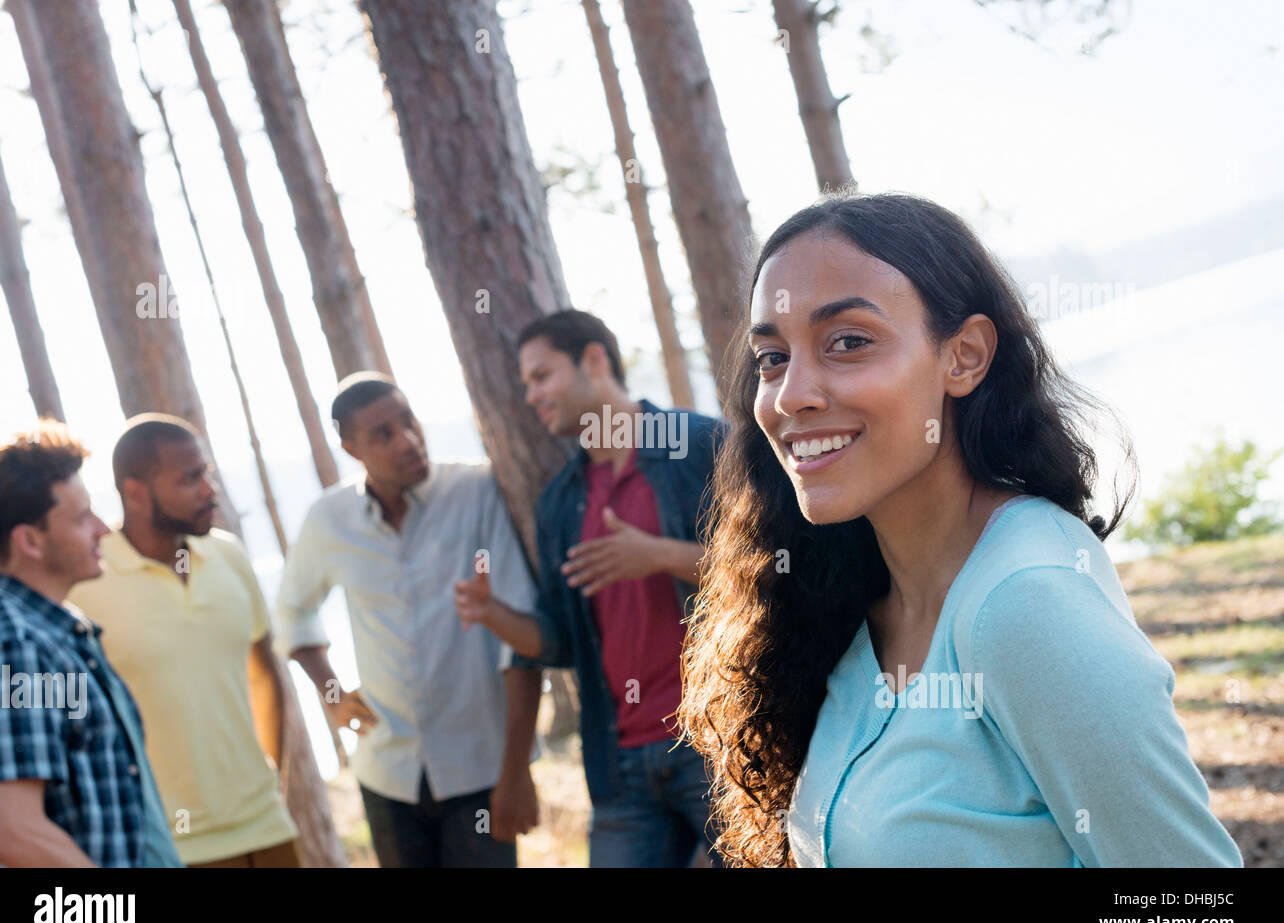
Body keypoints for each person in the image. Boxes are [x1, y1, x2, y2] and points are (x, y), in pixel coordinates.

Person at [678, 193, 1245, 868]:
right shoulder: (857, 591)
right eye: (772, 356)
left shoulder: (1026, 602)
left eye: (849, 341)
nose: (791, 392)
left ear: (965, 356)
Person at [454, 310, 727, 867]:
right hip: (621, 764)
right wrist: (492, 612)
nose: (531, 395)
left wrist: (659, 556)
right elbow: (558, 639)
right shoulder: (560, 500)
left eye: (540, 376)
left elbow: (774, 575)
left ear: (595, 360)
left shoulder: (700, 444)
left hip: (720, 744)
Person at [276, 373, 538, 867]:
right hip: (386, 773)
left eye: (409, 421)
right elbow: (292, 609)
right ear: (352, 448)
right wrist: (331, 694)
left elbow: (520, 641)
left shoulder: (478, 489)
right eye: (383, 434)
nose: (408, 441)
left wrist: (517, 771)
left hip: (480, 771)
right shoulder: (328, 520)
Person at [68, 415, 300, 867]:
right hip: (174, 846)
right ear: (135, 492)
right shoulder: (87, 585)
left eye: (206, 474)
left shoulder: (229, 555)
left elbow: (263, 672)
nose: (209, 490)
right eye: (189, 479)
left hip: (268, 825)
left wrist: (272, 782)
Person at [0, 420, 182, 867]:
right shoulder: (19, 649)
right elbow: (13, 831)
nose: (102, 530)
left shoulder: (63, 631)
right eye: (81, 518)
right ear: (30, 541)